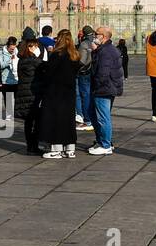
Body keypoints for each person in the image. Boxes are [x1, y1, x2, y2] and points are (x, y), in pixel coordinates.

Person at [39, 29, 80, 158]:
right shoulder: (75, 55)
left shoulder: (57, 54)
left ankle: (56, 148)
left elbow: (49, 73)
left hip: (56, 91)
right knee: (68, 119)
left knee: (56, 119)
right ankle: (70, 148)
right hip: (69, 91)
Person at [88, 26, 123, 156]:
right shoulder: (104, 50)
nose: (95, 36)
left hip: (104, 88)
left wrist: (97, 85)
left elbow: (102, 72)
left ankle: (106, 144)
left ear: (104, 36)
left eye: (97, 34)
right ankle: (101, 141)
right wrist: (95, 51)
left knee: (103, 117)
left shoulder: (106, 51)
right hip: (107, 87)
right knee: (94, 114)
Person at [16, 31, 44, 154]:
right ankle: (34, 146)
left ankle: (30, 147)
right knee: (36, 121)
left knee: (28, 122)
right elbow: (44, 68)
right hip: (32, 93)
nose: (37, 48)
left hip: (23, 92)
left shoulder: (22, 59)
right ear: (29, 47)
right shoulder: (32, 60)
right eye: (35, 46)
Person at [75, 25, 96, 132]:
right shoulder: (95, 42)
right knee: (90, 95)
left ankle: (87, 120)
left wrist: (76, 68)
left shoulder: (84, 44)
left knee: (84, 95)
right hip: (93, 72)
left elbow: (82, 61)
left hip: (84, 73)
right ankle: (91, 119)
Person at [0, 36, 18, 122]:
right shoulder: (1, 53)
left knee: (17, 98)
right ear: (7, 46)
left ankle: (16, 113)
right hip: (5, 80)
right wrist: (10, 61)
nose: (12, 51)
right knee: (8, 98)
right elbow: (1, 65)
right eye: (11, 49)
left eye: (13, 49)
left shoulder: (18, 52)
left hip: (16, 79)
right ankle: (9, 115)